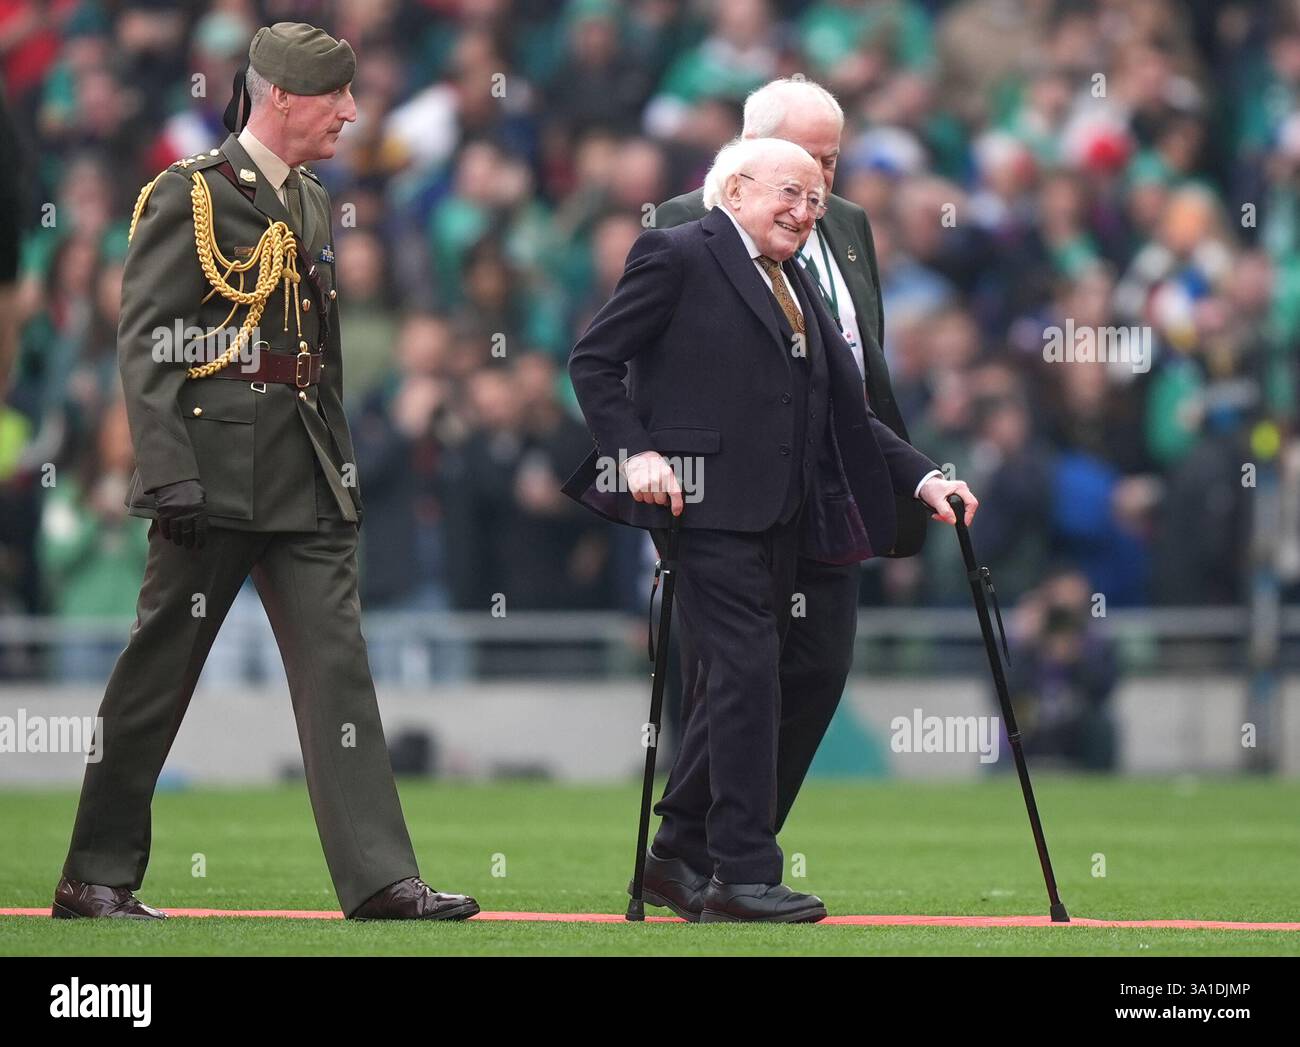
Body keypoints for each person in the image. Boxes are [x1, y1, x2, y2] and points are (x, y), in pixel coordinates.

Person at [52, 22, 477, 922]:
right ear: (281, 96)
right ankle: (93, 874)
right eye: (337, 97)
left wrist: (344, 470)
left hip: (305, 475)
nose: (353, 114)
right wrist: (166, 472)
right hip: (209, 476)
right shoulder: (190, 196)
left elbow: (316, 360)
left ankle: (379, 880)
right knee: (157, 673)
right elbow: (148, 343)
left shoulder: (316, 200)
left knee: (339, 671)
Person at [563, 136, 978, 922]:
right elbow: (594, 360)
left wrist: (924, 476)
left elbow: (844, 410)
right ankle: (743, 874)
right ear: (736, 189)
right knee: (749, 671)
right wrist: (637, 455)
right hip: (704, 508)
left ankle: (674, 856)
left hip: (783, 517)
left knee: (750, 678)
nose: (804, 209)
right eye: (789, 193)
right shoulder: (676, 252)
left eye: (815, 199)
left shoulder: (790, 279)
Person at [650, 78, 930, 890]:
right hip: (731, 490)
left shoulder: (847, 226)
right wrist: (651, 458)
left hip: (836, 474)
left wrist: (905, 470)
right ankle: (720, 861)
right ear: (747, 155)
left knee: (815, 667)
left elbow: (858, 359)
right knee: (735, 672)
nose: (820, 183)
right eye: (805, 160)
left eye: (832, 161)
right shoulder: (683, 222)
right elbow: (640, 359)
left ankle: (696, 849)